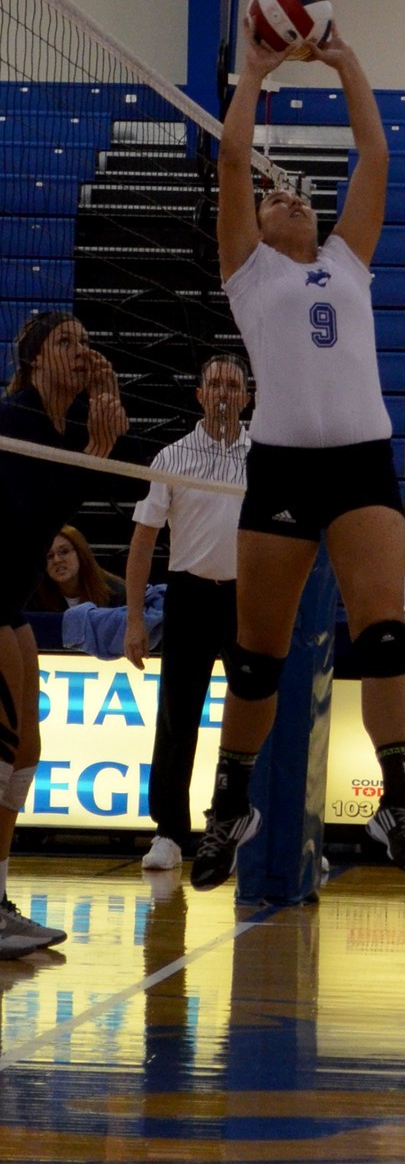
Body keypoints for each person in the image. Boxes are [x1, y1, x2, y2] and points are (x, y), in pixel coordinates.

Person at [192, 17, 405, 892]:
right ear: (255, 222)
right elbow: (230, 160)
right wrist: (251, 71)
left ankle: (400, 802)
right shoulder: (250, 274)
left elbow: (374, 156)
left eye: (299, 195)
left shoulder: (348, 264)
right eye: (273, 197)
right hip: (286, 466)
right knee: (258, 655)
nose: (288, 198)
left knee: (386, 636)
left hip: (362, 462)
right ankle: (228, 811)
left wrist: (344, 57)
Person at [0, 309, 126, 956]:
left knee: (25, 753)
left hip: (10, 604)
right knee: (1, 752)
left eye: (85, 339)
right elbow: (39, 510)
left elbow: (67, 495)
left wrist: (102, 424)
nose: (80, 350)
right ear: (32, 362)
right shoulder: (16, 419)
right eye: (64, 342)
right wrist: (97, 454)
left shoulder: (62, 421)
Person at [124, 352, 252, 873]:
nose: (223, 393)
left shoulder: (264, 456)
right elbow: (142, 543)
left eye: (232, 386)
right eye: (214, 384)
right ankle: (170, 834)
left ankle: (246, 825)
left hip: (249, 598)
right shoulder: (172, 457)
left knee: (258, 715)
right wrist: (135, 619)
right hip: (190, 597)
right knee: (177, 718)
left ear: (245, 397)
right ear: (200, 394)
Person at [27, 525, 126, 611]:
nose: (57, 560)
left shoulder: (117, 594)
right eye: (49, 556)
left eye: (64, 552)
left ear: (81, 554)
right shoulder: (34, 597)